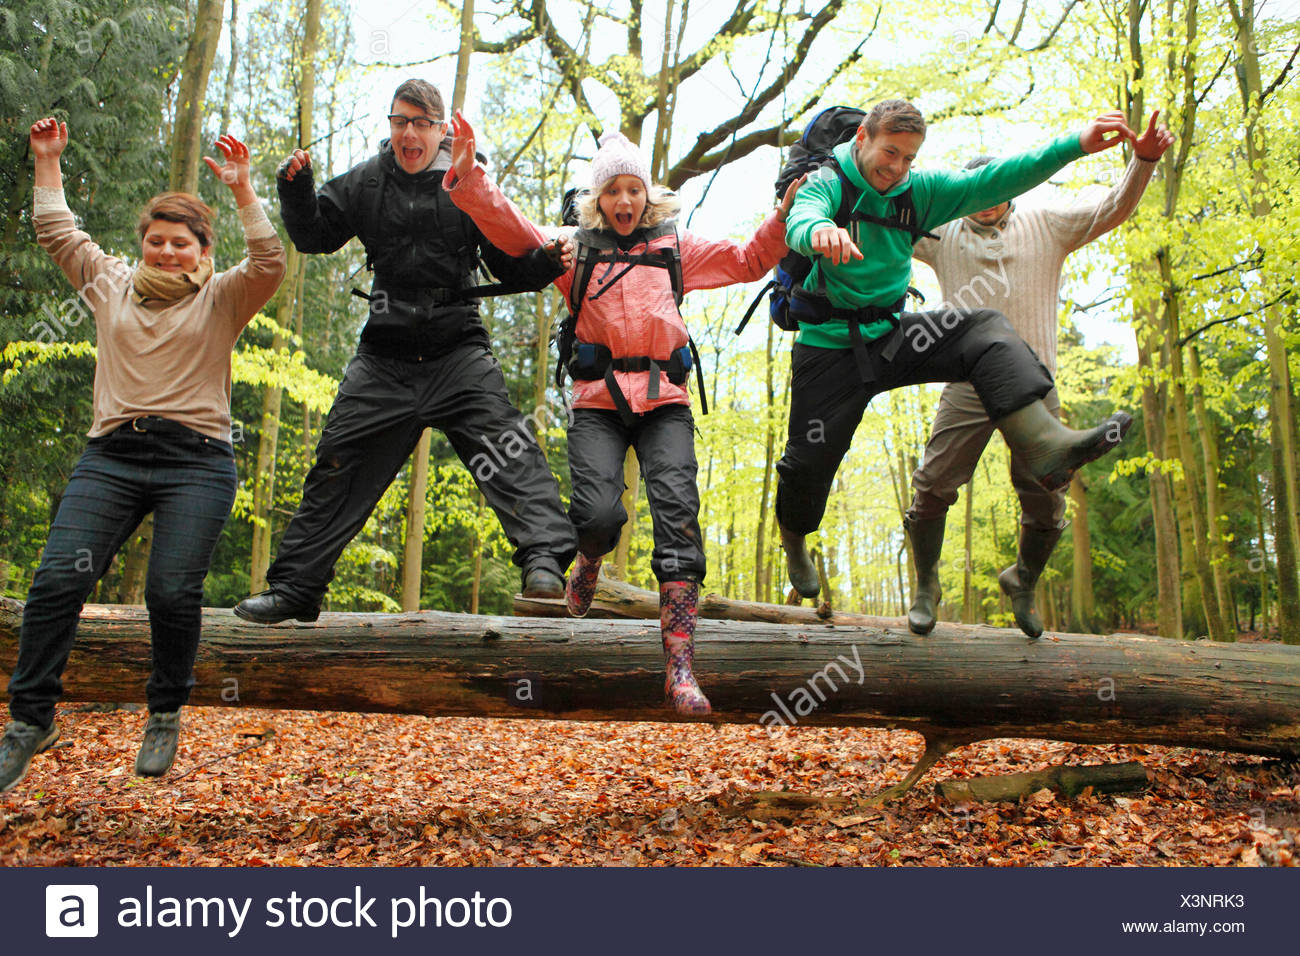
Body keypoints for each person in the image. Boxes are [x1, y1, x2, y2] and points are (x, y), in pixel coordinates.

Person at [444, 113, 797, 714]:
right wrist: (470, 178)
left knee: (679, 516)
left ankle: (679, 667)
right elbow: (513, 231)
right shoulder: (574, 251)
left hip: (665, 400)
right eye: (612, 190)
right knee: (600, 514)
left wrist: (787, 215)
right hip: (598, 402)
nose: (624, 199)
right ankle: (589, 558)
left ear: (647, 194)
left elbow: (745, 260)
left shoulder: (675, 248)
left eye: (633, 188)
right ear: (598, 199)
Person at [1, 118, 286, 793]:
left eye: (179, 243)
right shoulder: (108, 283)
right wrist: (48, 161)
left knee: (170, 590)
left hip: (198, 463)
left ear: (201, 249)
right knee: (56, 583)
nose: (165, 252)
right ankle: (30, 721)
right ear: (142, 245)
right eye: (155, 241)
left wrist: (245, 191)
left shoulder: (223, 297)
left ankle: (163, 711)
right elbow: (56, 232)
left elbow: (271, 263)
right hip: (114, 458)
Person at [234, 79, 577, 625]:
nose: (409, 133)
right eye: (400, 122)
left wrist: (547, 262)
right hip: (384, 356)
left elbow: (509, 268)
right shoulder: (367, 183)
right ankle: (296, 588)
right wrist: (296, 192)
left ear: (442, 129)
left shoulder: (465, 183)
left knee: (509, 449)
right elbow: (316, 236)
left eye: (421, 123)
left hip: (457, 348)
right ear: (390, 127)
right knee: (336, 463)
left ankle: (544, 563)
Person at [776, 99, 1138, 611]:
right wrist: (819, 230)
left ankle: (1045, 445)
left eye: (909, 157)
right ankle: (794, 540)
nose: (897, 167)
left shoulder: (919, 193)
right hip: (830, 347)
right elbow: (802, 216)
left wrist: (1076, 143)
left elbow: (1000, 178)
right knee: (810, 463)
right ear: (863, 140)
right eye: (889, 152)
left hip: (894, 336)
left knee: (984, 326)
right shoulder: (830, 180)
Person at [905, 112, 1174, 637]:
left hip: (1035, 386)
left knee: (1047, 494)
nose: (985, 198)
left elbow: (1111, 208)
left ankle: (1023, 579)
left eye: (996, 188)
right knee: (933, 484)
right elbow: (883, 222)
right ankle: (926, 584)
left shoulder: (1047, 222)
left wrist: (1142, 161)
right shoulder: (940, 233)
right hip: (967, 383)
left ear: (1011, 188)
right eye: (974, 191)